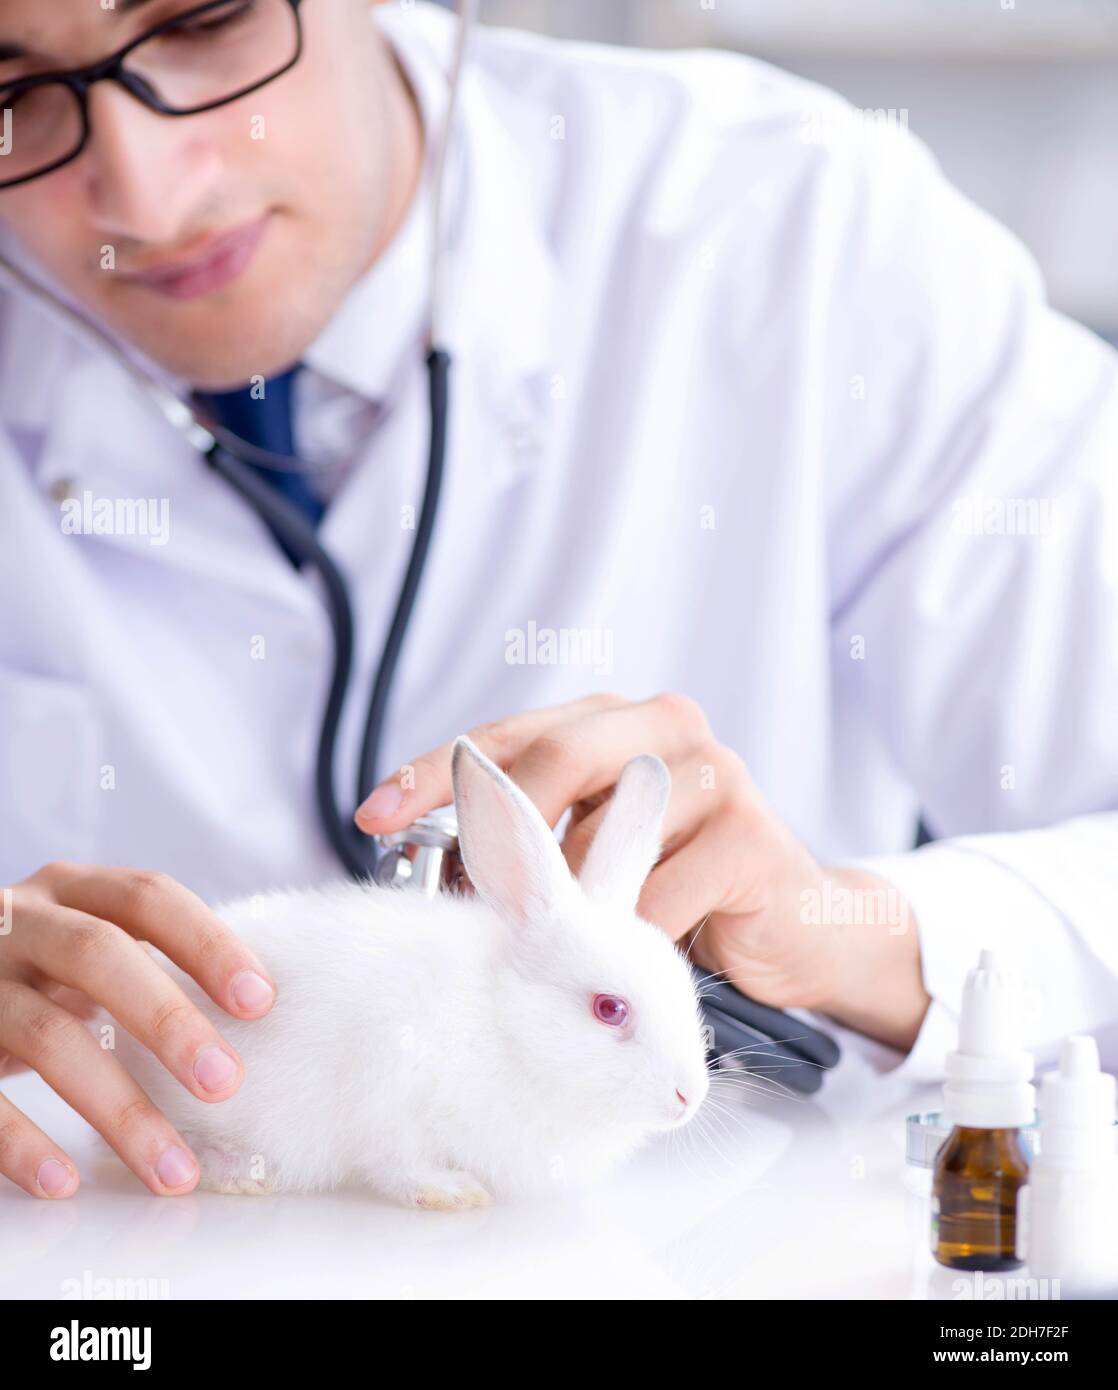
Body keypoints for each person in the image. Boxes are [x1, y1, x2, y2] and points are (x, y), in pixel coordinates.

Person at [0, 0, 1115, 1201]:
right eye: (8, 95)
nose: (147, 197)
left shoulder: (801, 228)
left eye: (207, 19)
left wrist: (851, 929)